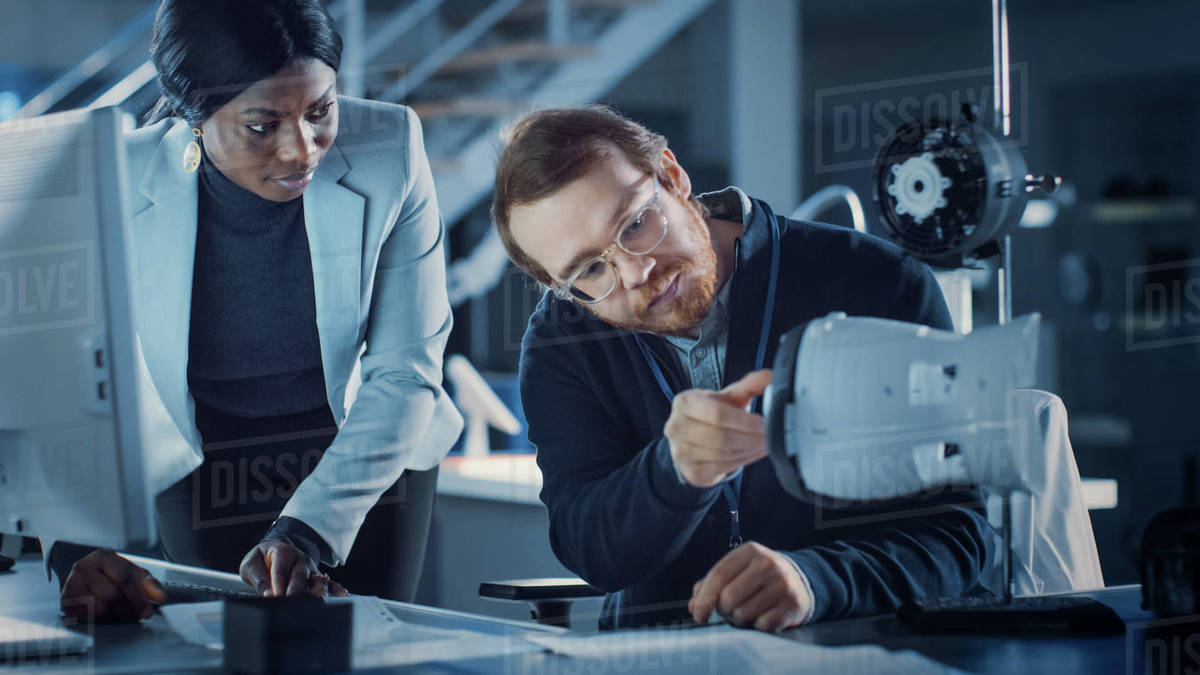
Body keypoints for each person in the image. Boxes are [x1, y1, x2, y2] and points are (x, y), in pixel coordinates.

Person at [492, 106, 995, 631]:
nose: (638, 271)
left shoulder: (879, 283)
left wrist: (817, 582)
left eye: (637, 223)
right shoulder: (561, 342)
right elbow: (590, 550)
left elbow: (956, 536)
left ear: (672, 175)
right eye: (592, 269)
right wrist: (675, 472)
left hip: (850, 649)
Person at [51, 0, 462, 622]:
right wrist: (71, 545)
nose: (302, 150)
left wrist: (308, 529)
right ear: (195, 114)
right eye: (263, 126)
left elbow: (406, 370)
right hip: (202, 458)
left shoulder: (390, 147)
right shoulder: (113, 179)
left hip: (365, 446)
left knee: (366, 650)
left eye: (321, 112)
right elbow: (67, 383)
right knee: (214, 652)